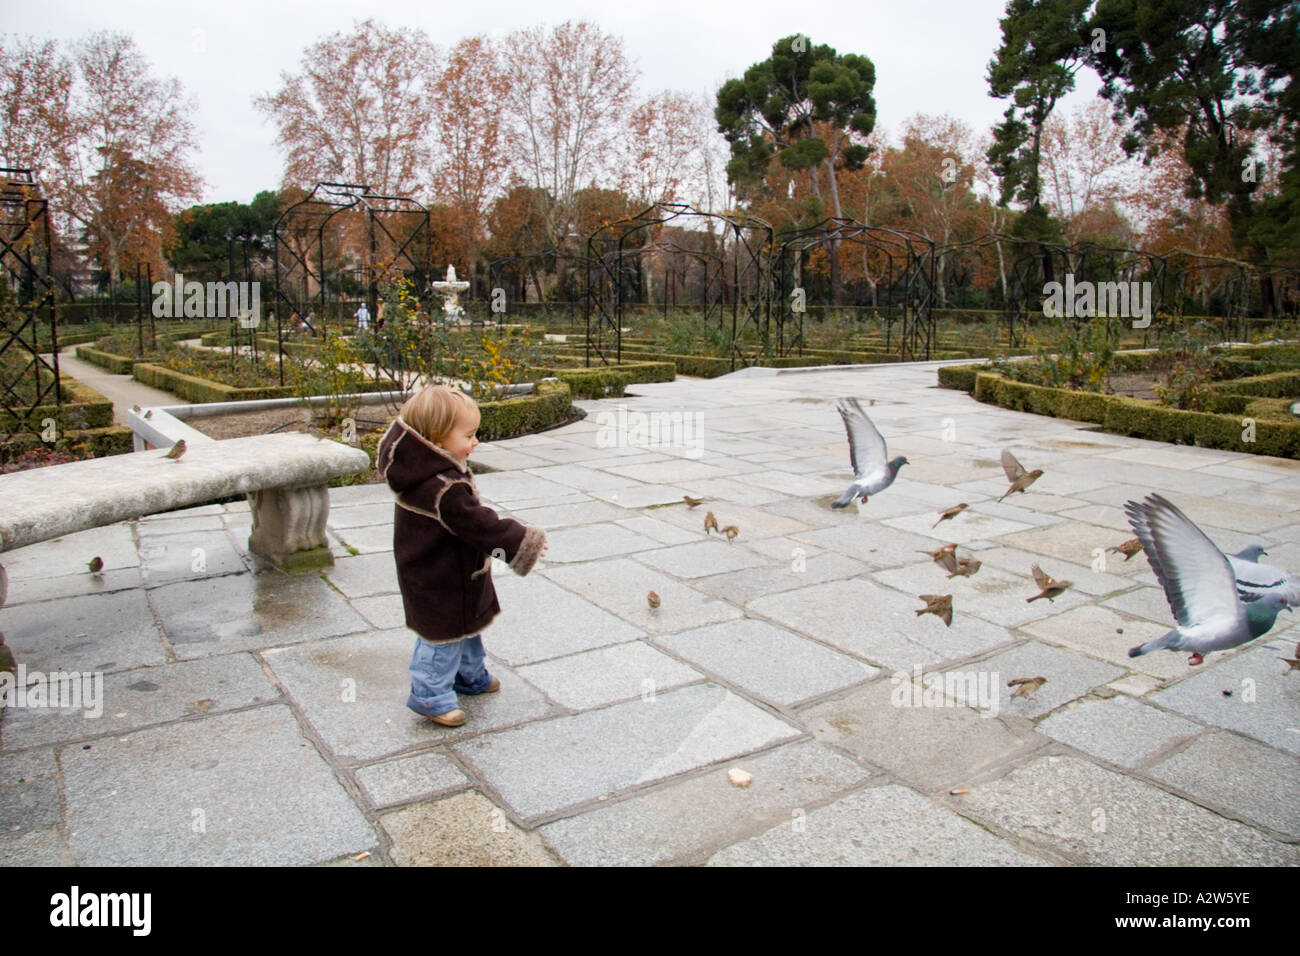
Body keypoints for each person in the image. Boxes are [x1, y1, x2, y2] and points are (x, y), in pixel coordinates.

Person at [377, 385, 547, 727]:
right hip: (438, 574)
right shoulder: (442, 486)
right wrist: (520, 541)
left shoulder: (426, 471)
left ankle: (469, 676)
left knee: (468, 625)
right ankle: (429, 695)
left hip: (450, 567)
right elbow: (479, 525)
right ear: (437, 439)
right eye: (468, 435)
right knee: (441, 635)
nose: (475, 442)